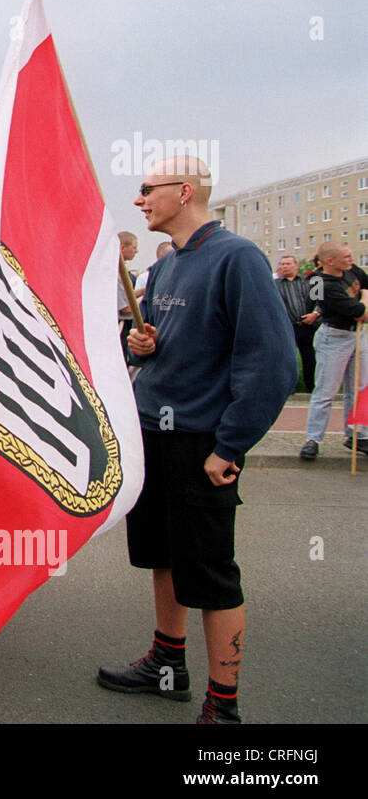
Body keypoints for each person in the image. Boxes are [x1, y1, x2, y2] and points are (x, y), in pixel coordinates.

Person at [98, 156, 296, 724]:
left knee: (209, 574)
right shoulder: (165, 268)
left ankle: (223, 706)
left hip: (200, 443)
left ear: (184, 192)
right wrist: (145, 345)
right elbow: (170, 343)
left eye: (145, 190)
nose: (138, 200)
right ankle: (167, 665)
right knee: (164, 558)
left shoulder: (238, 258)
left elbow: (274, 362)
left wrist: (231, 446)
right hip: (153, 436)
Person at [299, 242, 367, 459]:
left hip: (357, 335)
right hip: (334, 337)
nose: (351, 259)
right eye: (346, 256)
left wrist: (319, 312)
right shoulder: (319, 281)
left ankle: (358, 435)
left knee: (359, 388)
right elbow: (360, 312)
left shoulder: (351, 269)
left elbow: (365, 284)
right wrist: (364, 297)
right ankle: (313, 438)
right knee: (326, 391)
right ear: (330, 261)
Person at [275, 254, 320, 393]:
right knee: (289, 359)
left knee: (310, 358)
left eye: (288, 264)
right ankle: (290, 387)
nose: (285, 266)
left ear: (297, 265)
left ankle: (311, 387)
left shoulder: (310, 281)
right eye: (283, 264)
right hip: (287, 327)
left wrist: (315, 314)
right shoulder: (275, 284)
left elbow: (320, 301)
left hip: (307, 325)